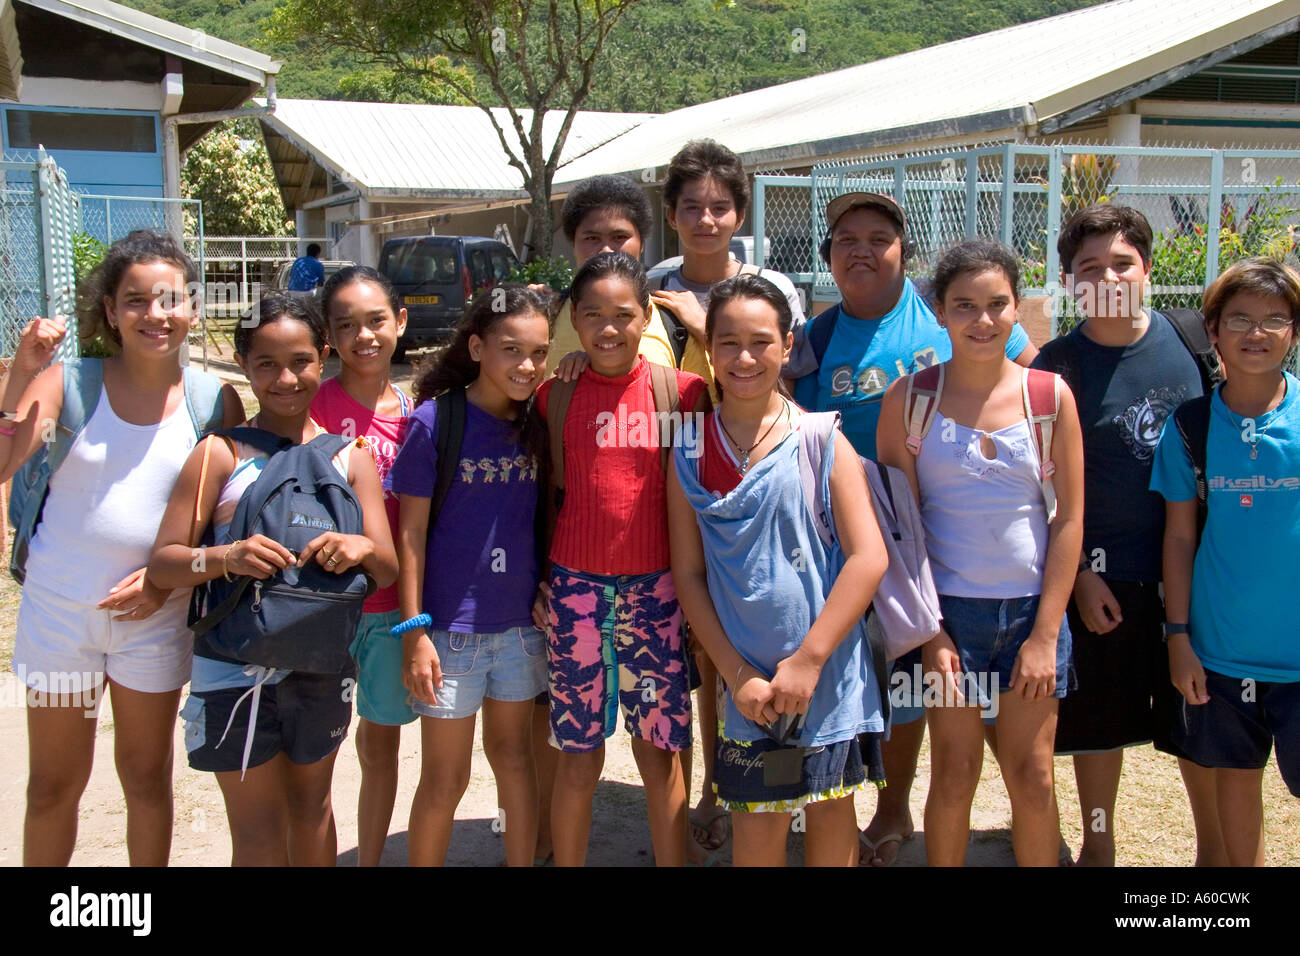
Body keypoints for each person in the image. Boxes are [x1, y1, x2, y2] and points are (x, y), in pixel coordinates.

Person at [790, 192, 1036, 866]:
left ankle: (975, 812)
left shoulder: (950, 309)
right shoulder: (814, 340)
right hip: (854, 541)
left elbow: (1028, 377)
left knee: (956, 689)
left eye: (879, 236)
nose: (862, 249)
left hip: (953, 538)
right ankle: (865, 809)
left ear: (905, 251)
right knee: (886, 678)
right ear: (829, 258)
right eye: (846, 239)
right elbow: (796, 432)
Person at [0, 230, 242, 866]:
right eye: (135, 301)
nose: (154, 316)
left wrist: (165, 581)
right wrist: (22, 372)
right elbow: (5, 462)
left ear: (191, 306)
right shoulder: (68, 385)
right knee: (54, 786)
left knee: (146, 782)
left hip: (154, 622)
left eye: (169, 300)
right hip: (62, 619)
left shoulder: (211, 401)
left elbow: (223, 514)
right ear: (110, 311)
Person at [149, 291, 397, 866]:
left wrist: (360, 546)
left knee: (314, 812)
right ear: (244, 366)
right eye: (266, 364)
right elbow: (164, 563)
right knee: (257, 832)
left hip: (321, 664)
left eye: (301, 362)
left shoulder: (351, 457)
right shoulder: (219, 454)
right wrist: (225, 557)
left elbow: (388, 565)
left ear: (325, 357)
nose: (285, 378)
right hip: (234, 669)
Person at [667, 273, 888, 866]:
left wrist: (810, 660)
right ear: (707, 347)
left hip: (829, 681)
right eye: (729, 341)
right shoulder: (688, 448)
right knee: (757, 844)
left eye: (762, 341)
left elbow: (869, 557)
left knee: (830, 826)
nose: (745, 357)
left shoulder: (821, 439)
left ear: (788, 347)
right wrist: (737, 675)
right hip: (748, 693)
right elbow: (687, 574)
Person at [876, 239, 1083, 867]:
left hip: (1029, 615)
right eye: (965, 305)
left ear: (1019, 308)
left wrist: (1046, 633)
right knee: (956, 774)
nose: (983, 320)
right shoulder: (910, 401)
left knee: (1033, 777)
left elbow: (1069, 520)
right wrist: (931, 634)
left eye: (997, 304)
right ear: (939, 311)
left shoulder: (1049, 397)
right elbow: (898, 531)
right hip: (950, 618)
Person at [1034, 203, 1224, 866]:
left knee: (1200, 721)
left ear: (1146, 269)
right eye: (1090, 267)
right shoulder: (1057, 365)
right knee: (1098, 728)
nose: (1108, 276)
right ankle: (1100, 840)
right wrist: (1081, 573)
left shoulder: (1196, 339)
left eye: (1122, 262)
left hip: (1196, 573)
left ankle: (1213, 850)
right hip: (1103, 577)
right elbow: (1043, 479)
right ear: (1069, 281)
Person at [537, 251, 709, 866]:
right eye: (592, 315)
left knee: (658, 755)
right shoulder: (551, 396)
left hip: (657, 596)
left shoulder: (683, 395)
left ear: (648, 320)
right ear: (573, 322)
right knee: (577, 757)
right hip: (574, 595)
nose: (609, 328)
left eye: (624, 314)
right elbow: (536, 494)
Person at [390, 284, 553, 867]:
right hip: (447, 637)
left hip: (519, 631)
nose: (527, 365)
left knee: (515, 762)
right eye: (512, 349)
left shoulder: (541, 420)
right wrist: (415, 632)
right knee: (444, 779)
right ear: (478, 347)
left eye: (539, 352)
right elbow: (408, 535)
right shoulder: (436, 422)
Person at [1152, 257, 1300, 867]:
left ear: (1294, 331)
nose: (1255, 333)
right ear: (1213, 332)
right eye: (1239, 319)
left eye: (1274, 320)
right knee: (1235, 782)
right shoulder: (1189, 426)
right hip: (1219, 652)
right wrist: (1179, 637)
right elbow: (1180, 539)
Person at [309, 266, 413, 867]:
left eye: (376, 320)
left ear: (399, 322)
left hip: (390, 609)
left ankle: (367, 858)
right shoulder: (313, 404)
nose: (363, 336)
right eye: (346, 325)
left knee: (380, 748)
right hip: (320, 609)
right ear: (329, 335)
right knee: (315, 752)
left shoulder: (418, 411)